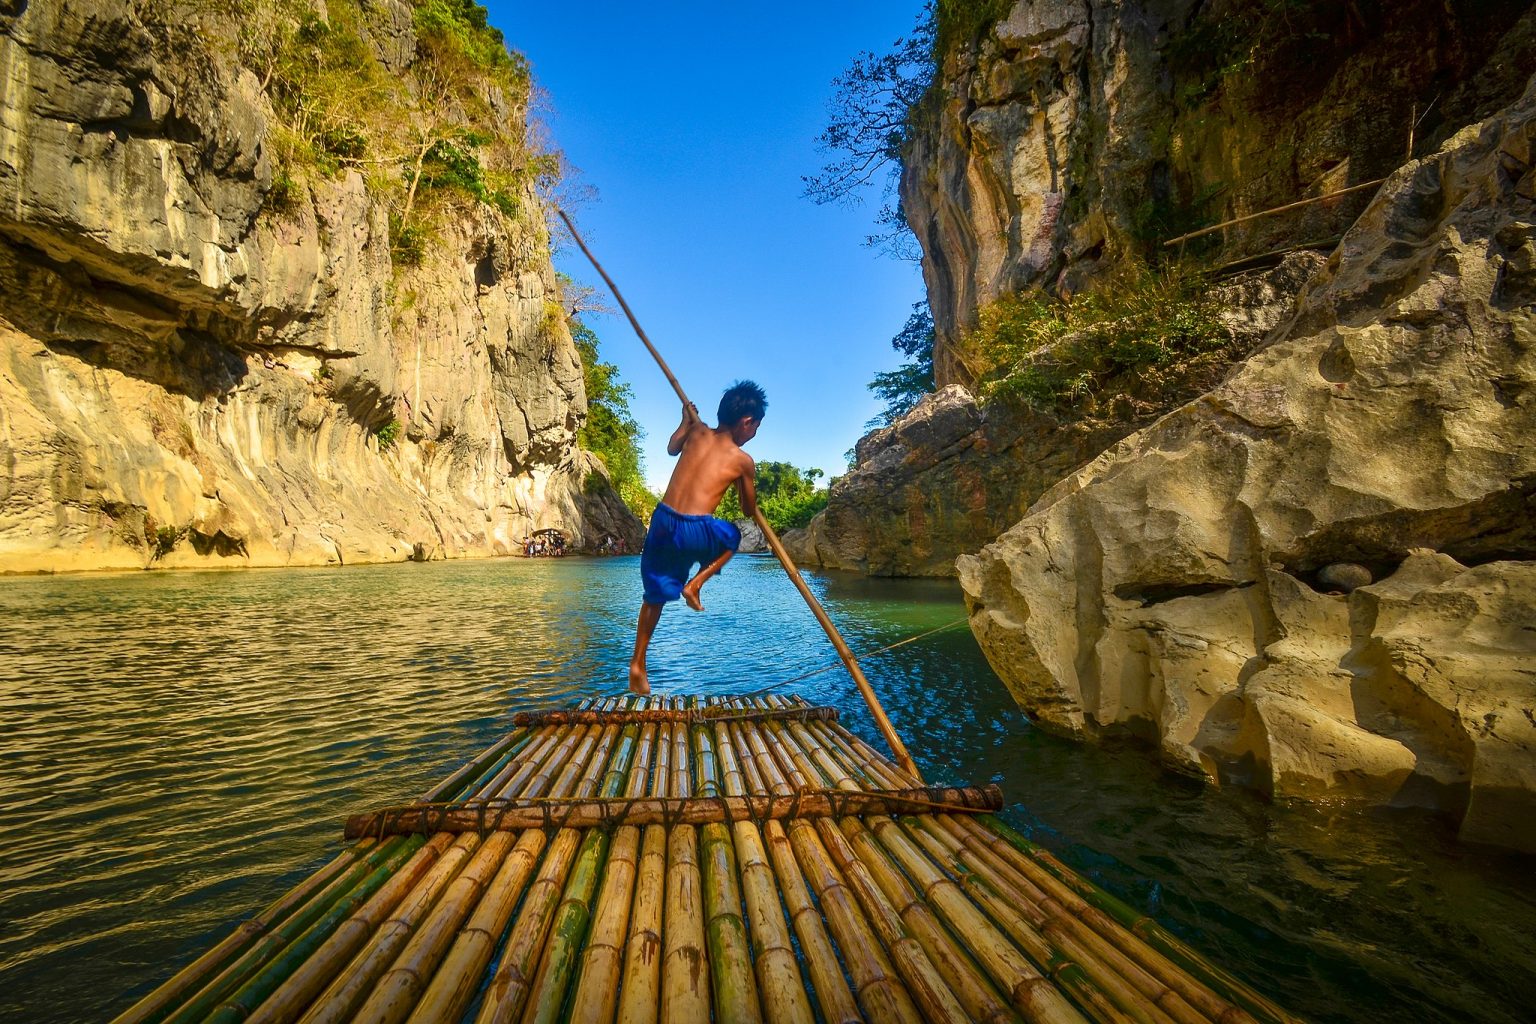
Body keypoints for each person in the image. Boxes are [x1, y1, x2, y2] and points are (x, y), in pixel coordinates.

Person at [628, 380, 765, 695]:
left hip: (662, 521)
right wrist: (747, 481)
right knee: (731, 535)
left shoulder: (698, 431)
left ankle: (638, 663)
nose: (754, 434)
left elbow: (672, 448)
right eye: (756, 427)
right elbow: (747, 509)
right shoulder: (743, 461)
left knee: (655, 596)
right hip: (693, 527)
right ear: (746, 422)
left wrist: (685, 421)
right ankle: (696, 584)